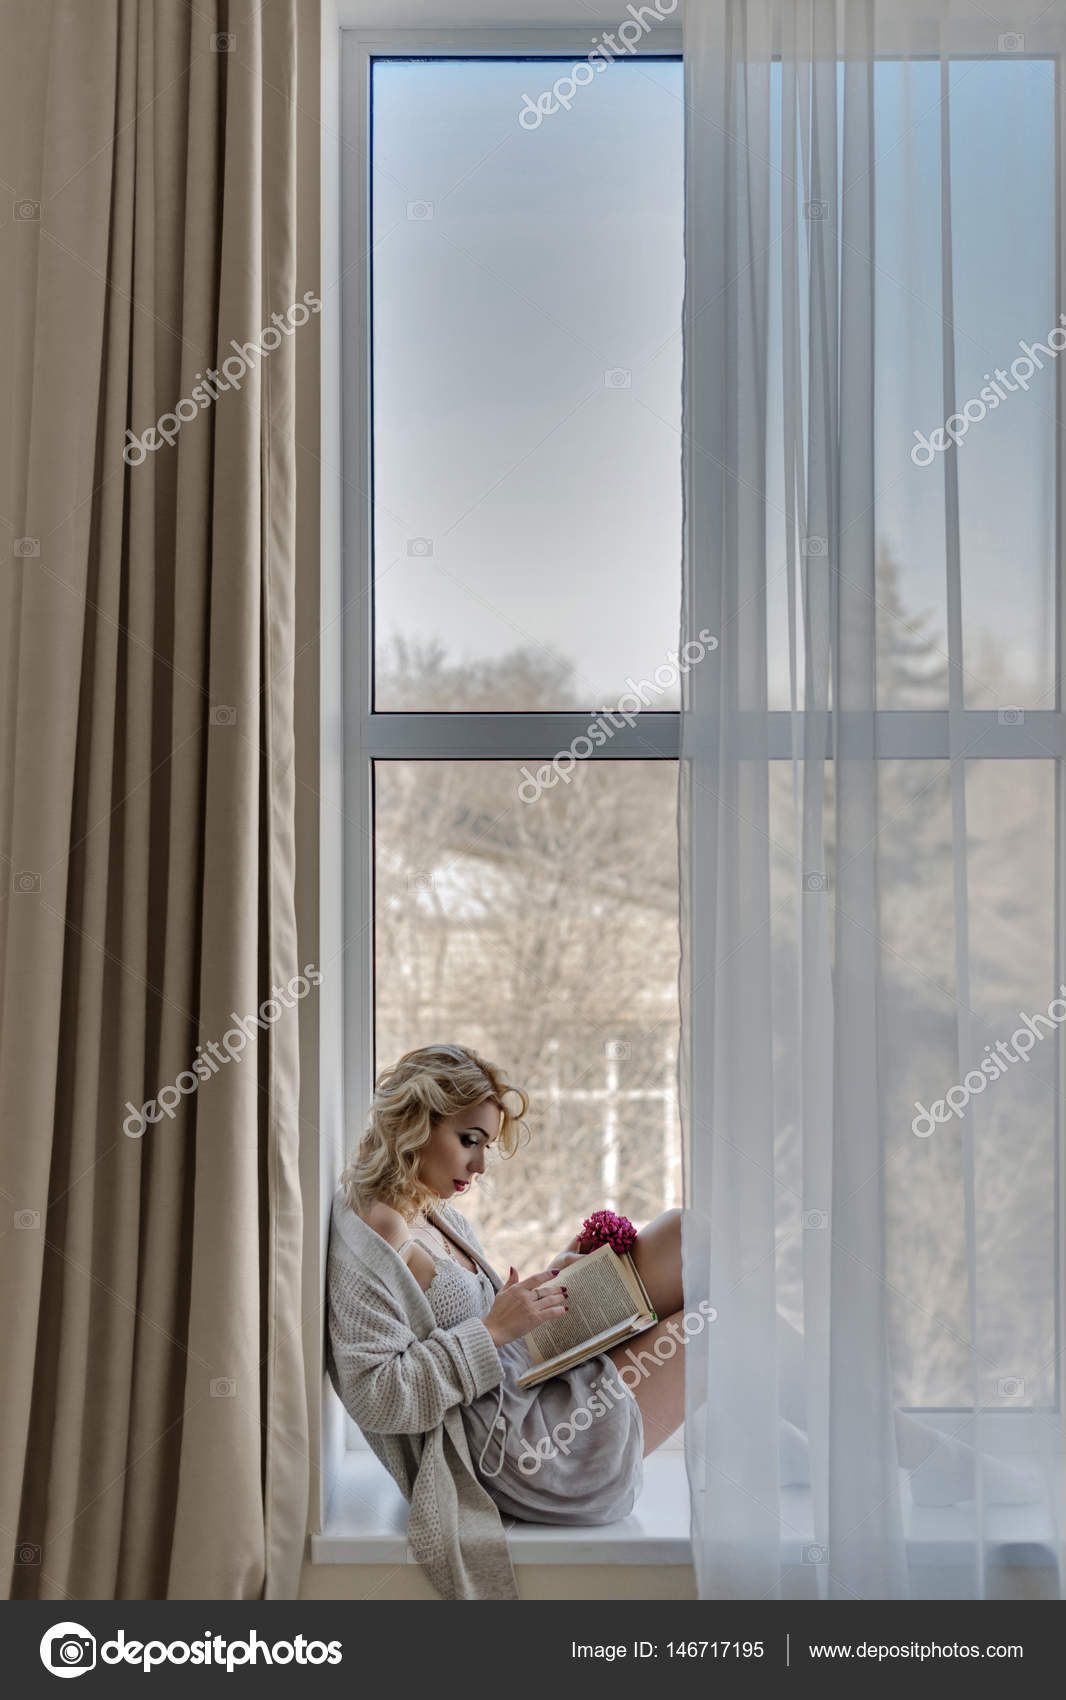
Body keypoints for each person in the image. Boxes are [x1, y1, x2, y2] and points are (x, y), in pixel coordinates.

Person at [324, 1041, 687, 1599]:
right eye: (469, 1141)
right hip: (522, 1445)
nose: (481, 1165)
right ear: (416, 1123)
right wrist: (495, 1329)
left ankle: (803, 1431)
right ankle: (807, 1439)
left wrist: (542, 1288)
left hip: (528, 1378)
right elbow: (377, 1394)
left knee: (685, 1235)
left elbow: (470, 1318)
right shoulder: (379, 1230)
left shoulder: (431, 1212)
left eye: (487, 1145)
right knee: (713, 1330)